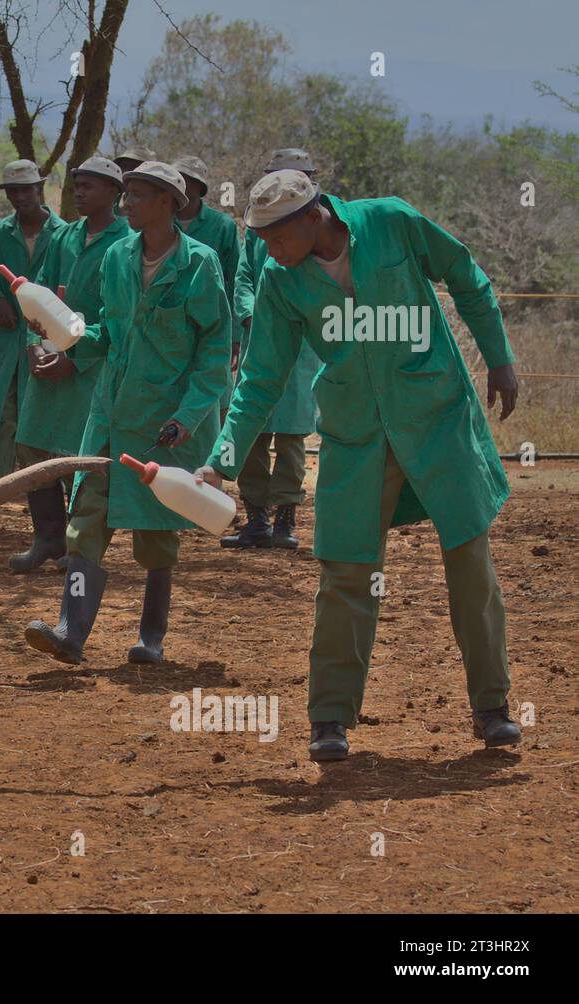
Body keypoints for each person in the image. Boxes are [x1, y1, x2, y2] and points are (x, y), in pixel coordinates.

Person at [196, 170, 523, 761]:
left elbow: (466, 276)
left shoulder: (391, 222)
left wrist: (499, 359)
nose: (268, 250)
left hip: (436, 418)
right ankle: (330, 717)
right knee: (346, 572)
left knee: (469, 558)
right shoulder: (281, 278)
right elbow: (262, 377)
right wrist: (221, 459)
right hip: (354, 434)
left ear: (313, 216)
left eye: (275, 236)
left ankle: (493, 707)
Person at [25, 162, 230, 664]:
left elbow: (214, 352)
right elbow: (108, 333)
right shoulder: (117, 257)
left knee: (157, 532)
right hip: (109, 416)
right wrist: (67, 346)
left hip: (163, 425)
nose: (127, 204)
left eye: (138, 196)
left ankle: (150, 639)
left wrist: (189, 416)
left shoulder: (200, 264)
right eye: (127, 195)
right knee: (86, 522)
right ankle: (69, 632)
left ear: (168, 203)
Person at [8, 156, 130, 574]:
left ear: (115, 192)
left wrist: (73, 360)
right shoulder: (64, 237)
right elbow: (37, 293)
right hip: (48, 359)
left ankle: (79, 545)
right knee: (33, 442)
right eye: (77, 185)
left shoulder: (125, 243)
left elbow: (117, 316)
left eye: (90, 186)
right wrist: (33, 344)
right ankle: (47, 537)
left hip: (89, 369)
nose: (79, 192)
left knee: (82, 454)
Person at [225, 148, 322, 550]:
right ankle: (255, 520)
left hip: (301, 348)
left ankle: (285, 519)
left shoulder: (319, 231)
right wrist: (250, 315)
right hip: (258, 339)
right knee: (249, 434)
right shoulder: (257, 226)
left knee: (291, 439)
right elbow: (245, 276)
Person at [0, 160, 67, 533]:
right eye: (13, 191)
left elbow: (67, 283)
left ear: (39, 189)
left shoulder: (63, 234)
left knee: (41, 422)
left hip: (46, 339)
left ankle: (48, 509)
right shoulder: (0, 234)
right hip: (9, 339)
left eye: (26, 189)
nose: (20, 197)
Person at [172, 156, 240, 414]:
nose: (181, 187)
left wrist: (235, 337)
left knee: (212, 385)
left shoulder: (222, 226)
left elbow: (234, 279)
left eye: (187, 181)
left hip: (210, 319)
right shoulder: (160, 222)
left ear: (200, 188)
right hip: (171, 321)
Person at [112, 148, 155, 216]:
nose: (126, 171)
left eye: (134, 166)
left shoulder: (156, 205)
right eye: (123, 166)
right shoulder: (111, 199)